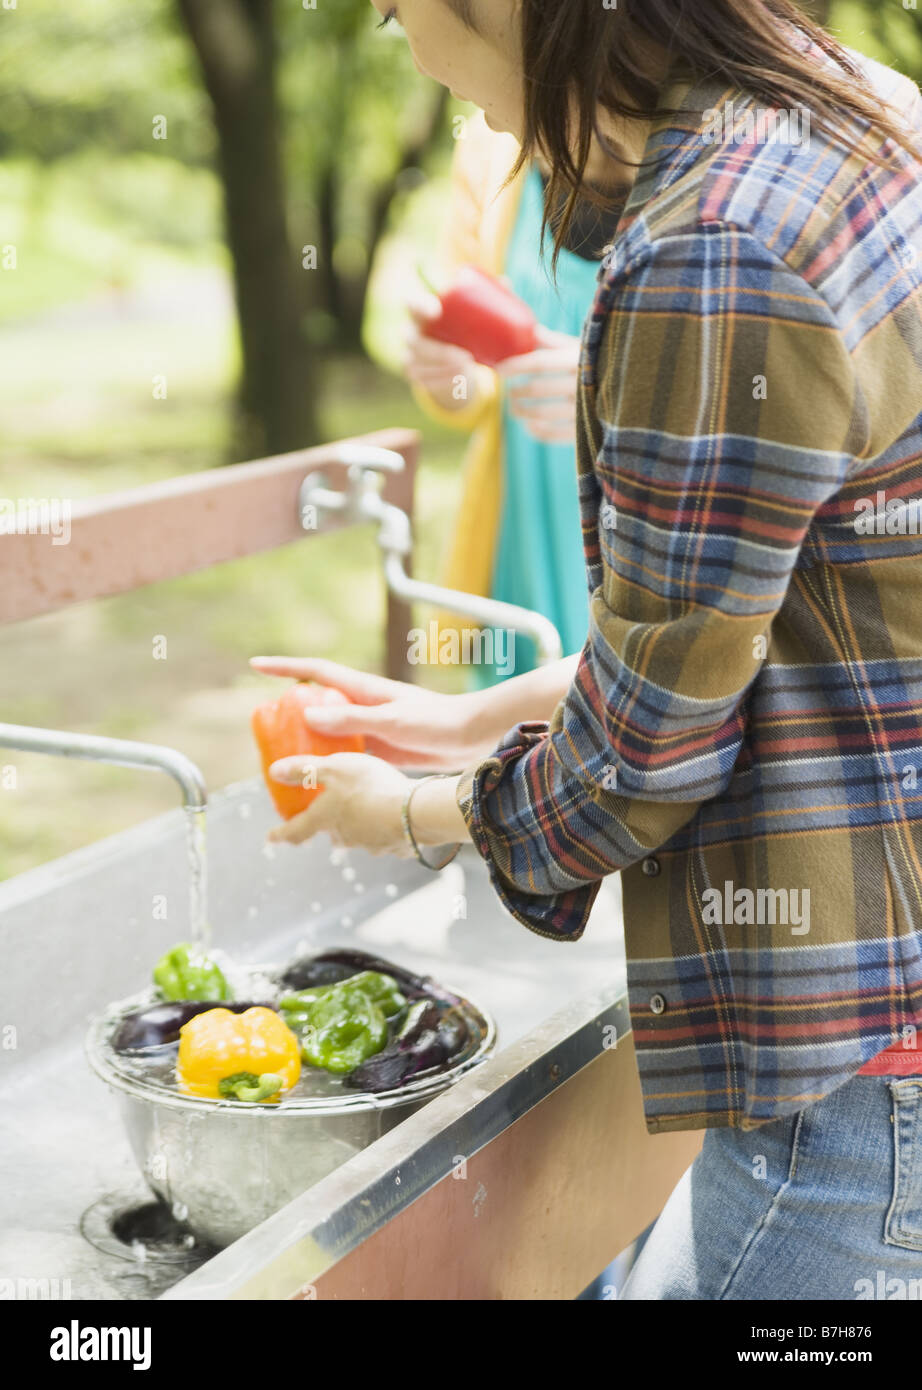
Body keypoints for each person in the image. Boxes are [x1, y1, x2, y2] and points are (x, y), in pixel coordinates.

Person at [252, 0, 922, 1299]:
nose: (392, 31)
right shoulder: (839, 111)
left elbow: (647, 754)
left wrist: (405, 811)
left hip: (850, 1085)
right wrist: (459, 717)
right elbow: (774, 632)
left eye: (394, 3)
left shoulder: (715, 248)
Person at [405, 115, 623, 681]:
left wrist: (615, 386)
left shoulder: (694, 139)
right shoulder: (487, 138)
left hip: (636, 511)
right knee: (513, 729)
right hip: (523, 517)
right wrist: (447, 379)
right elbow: (475, 389)